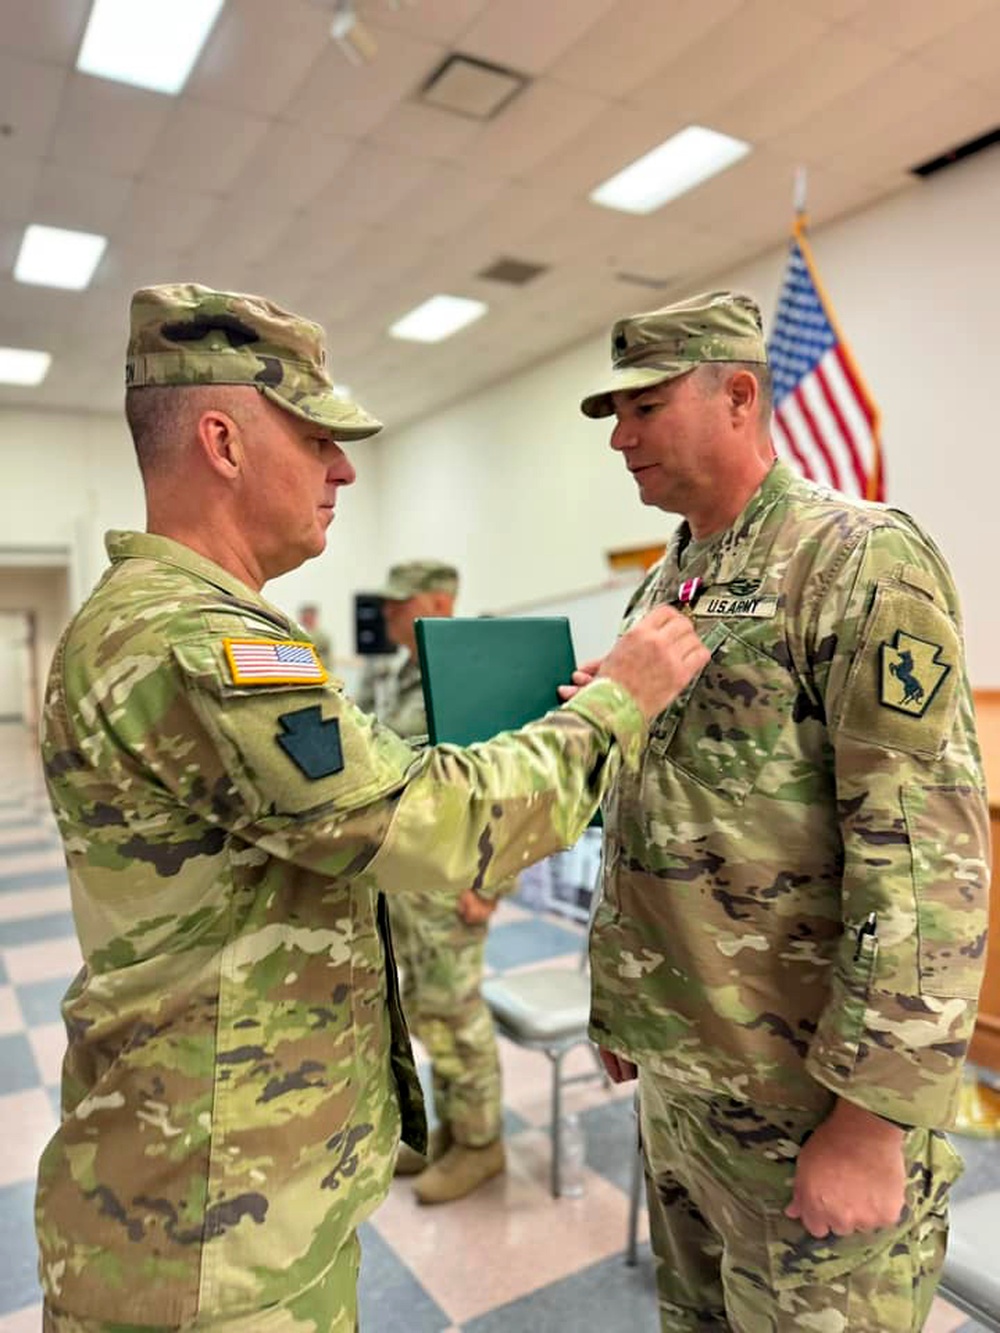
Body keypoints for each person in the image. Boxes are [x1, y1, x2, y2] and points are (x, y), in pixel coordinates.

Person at [35, 282, 709, 1333]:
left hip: (224, 1178)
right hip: (211, 1230)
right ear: (221, 439)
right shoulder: (199, 642)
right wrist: (621, 700)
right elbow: (424, 822)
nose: (344, 466)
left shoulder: (184, 623)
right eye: (316, 437)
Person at [567, 290, 990, 1331]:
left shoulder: (853, 559)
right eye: (613, 415)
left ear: (737, 396)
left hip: (808, 1102)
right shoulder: (672, 577)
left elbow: (925, 855)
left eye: (644, 407)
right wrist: (624, 996)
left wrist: (871, 1121)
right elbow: (669, 802)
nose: (620, 438)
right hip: (691, 1079)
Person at [368, 560, 511, 1203]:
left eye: (402, 603)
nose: (389, 613)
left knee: (457, 1011)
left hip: (456, 877)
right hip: (411, 879)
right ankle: (452, 1128)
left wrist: (491, 883)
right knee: (425, 1008)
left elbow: (506, 782)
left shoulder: (468, 668)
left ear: (439, 602)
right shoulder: (404, 672)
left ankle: (483, 1144)